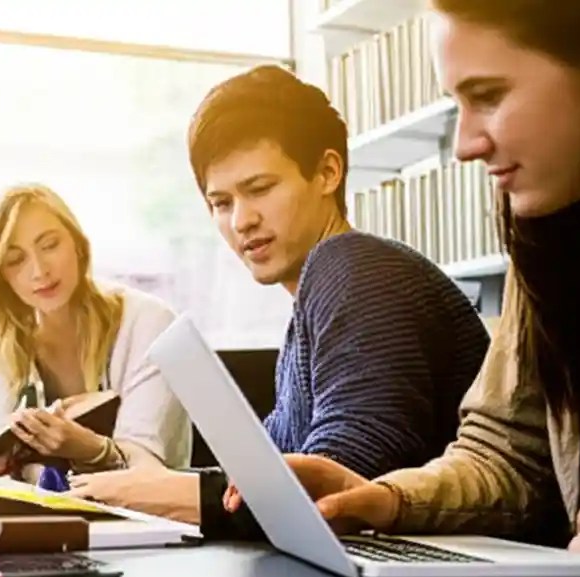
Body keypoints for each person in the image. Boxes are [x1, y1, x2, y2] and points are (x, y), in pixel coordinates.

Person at [243, 0, 580, 566]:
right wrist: (387, 499)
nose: (465, 144)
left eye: (488, 96)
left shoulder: (349, 267)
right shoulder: (555, 249)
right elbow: (508, 455)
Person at [68, 66, 491, 533]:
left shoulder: (353, 266)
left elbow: (338, 483)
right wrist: (138, 482)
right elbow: (265, 480)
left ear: (328, 172)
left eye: (259, 189)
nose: (242, 221)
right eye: (221, 203)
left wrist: (168, 493)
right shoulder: (315, 301)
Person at [0, 183, 191, 485]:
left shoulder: (148, 322)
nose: (39, 271)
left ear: (78, 244)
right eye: (15, 260)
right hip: (33, 524)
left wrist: (90, 449)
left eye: (50, 245)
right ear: (1, 276)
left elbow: (149, 472)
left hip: (145, 524)